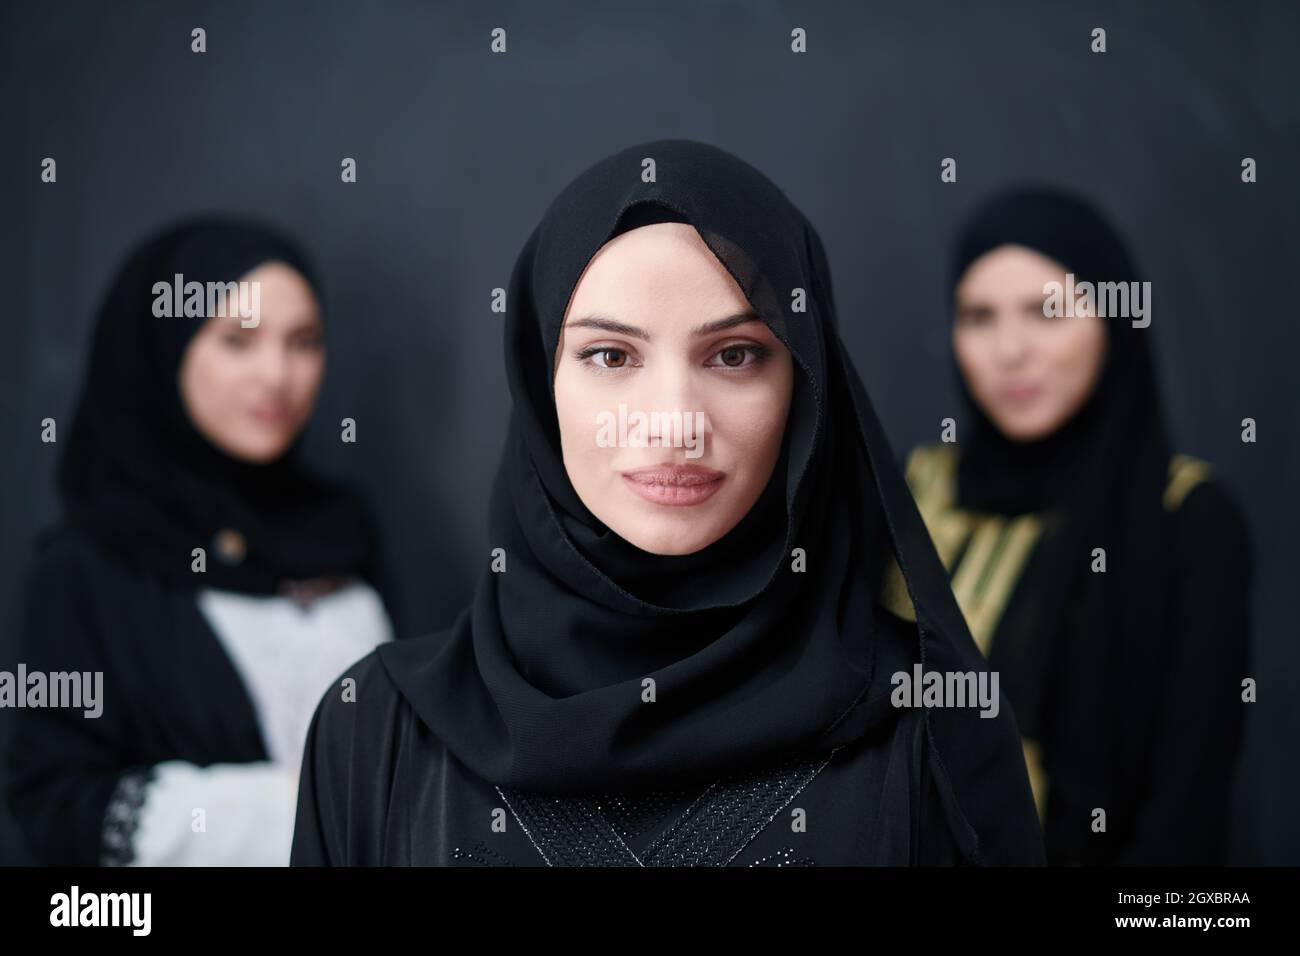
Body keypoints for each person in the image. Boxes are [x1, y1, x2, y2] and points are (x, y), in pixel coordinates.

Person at [291, 140, 1045, 867]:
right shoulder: (377, 728)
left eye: (735, 355)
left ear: (808, 388)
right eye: (611, 356)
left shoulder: (929, 724)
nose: (675, 421)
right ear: (539, 381)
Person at [6, 218, 394, 865]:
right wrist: (307, 810)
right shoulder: (88, 566)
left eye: (303, 341)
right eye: (238, 341)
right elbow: (53, 804)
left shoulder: (339, 528)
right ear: (165, 346)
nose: (277, 374)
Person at [897, 186, 1250, 864]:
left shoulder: (1186, 518)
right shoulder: (920, 488)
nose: (1009, 351)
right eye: (978, 316)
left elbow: (1185, 815)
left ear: (1114, 321)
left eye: (1047, 311)